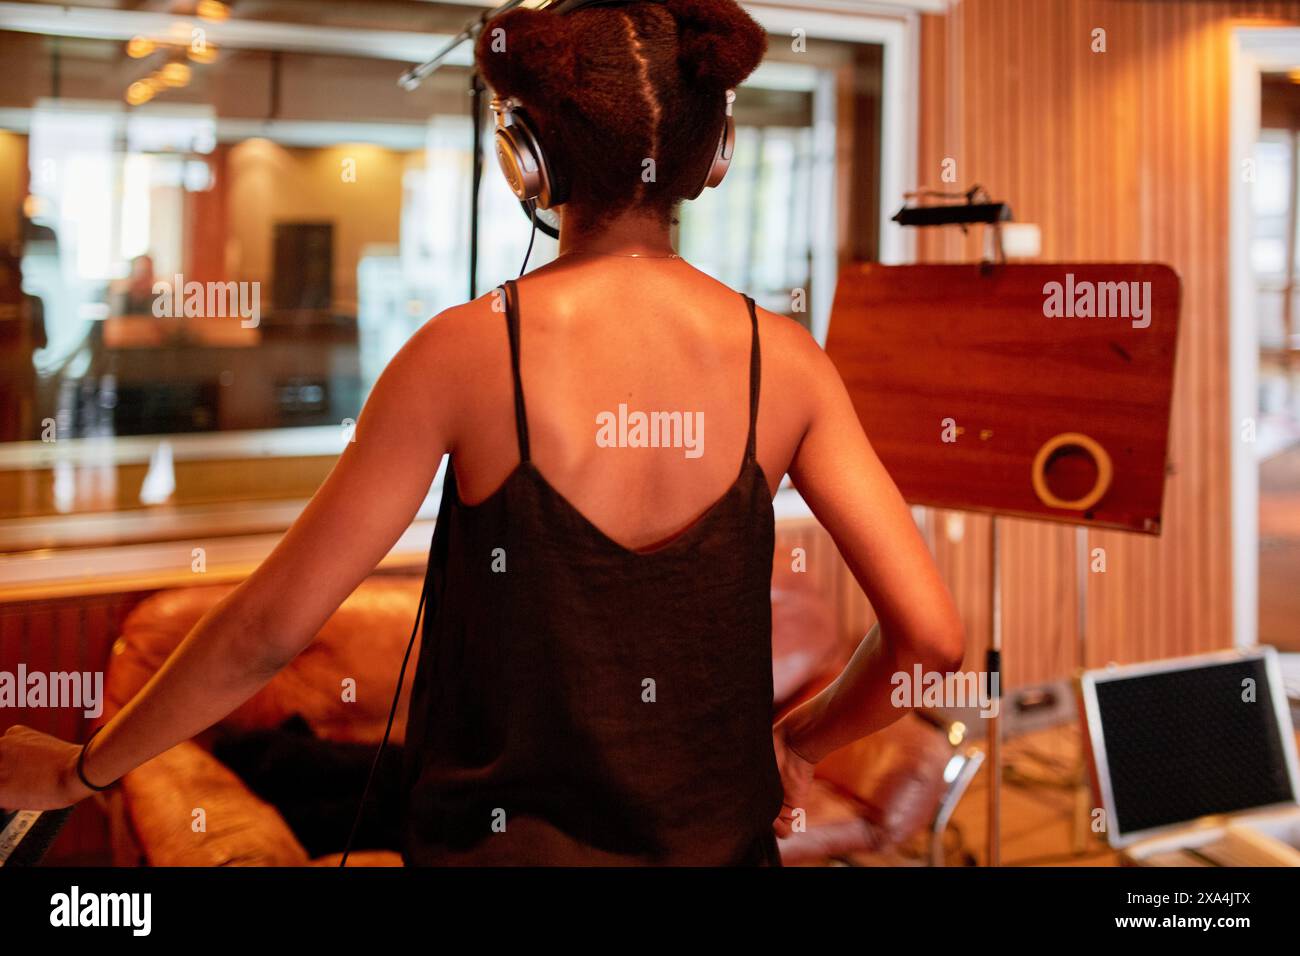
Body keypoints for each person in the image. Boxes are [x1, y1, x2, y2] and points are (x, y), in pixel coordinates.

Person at [0, 0, 963, 865]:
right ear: (717, 155)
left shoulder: (464, 353)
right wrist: (795, 742)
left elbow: (266, 632)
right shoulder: (787, 362)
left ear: (525, 156)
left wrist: (81, 771)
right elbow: (930, 639)